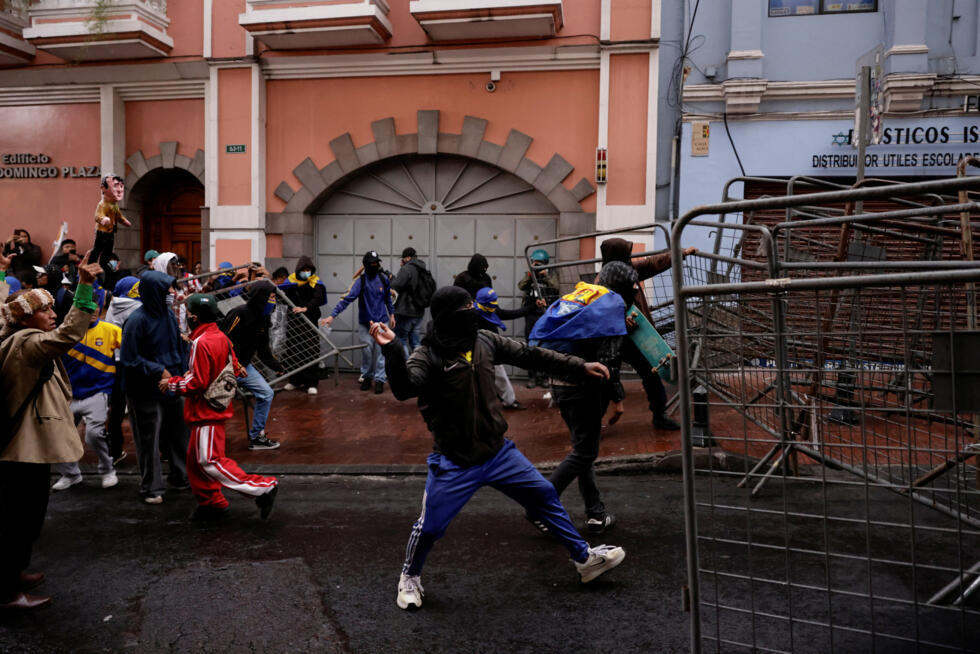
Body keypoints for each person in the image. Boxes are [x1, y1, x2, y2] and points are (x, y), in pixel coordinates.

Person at [369, 286, 626, 610]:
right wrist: (393, 349)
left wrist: (578, 365)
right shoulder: (428, 354)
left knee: (545, 495)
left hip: (498, 452)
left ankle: (584, 559)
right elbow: (405, 388)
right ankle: (409, 577)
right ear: (449, 316)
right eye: (465, 309)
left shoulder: (484, 341)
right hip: (455, 460)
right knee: (430, 527)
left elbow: (530, 355)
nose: (472, 313)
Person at [0, 251, 101, 611]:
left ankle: (15, 573)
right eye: (44, 309)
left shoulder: (17, 335)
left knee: (26, 517)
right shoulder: (27, 343)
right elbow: (68, 334)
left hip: (28, 447)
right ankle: (7, 592)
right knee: (18, 520)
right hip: (22, 450)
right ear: (26, 317)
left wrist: (2, 274)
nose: (52, 312)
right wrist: (84, 287)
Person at [531, 262, 636, 535]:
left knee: (583, 449)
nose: (636, 288)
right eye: (633, 284)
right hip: (584, 387)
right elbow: (609, 359)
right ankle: (539, 507)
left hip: (560, 383)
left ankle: (596, 514)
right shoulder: (612, 304)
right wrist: (618, 400)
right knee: (585, 452)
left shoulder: (585, 295)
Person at [164, 294, 279, 523]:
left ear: (193, 317)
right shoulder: (219, 337)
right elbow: (231, 363)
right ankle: (211, 504)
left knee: (209, 461)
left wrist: (172, 383)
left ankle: (263, 487)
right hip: (212, 408)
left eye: (189, 313)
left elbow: (197, 382)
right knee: (196, 462)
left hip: (205, 411)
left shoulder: (201, 342)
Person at [598, 238, 696, 430]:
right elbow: (599, 310)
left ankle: (660, 415)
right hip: (612, 338)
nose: (630, 256)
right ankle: (594, 423)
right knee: (606, 377)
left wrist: (681, 253)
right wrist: (620, 319)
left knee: (651, 373)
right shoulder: (601, 281)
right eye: (626, 252)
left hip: (636, 336)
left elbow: (653, 263)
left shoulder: (630, 269)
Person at [120, 270, 190, 504]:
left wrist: (182, 373)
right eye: (167, 289)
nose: (172, 293)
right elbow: (129, 358)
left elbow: (176, 347)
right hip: (144, 390)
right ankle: (151, 487)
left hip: (172, 385)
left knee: (179, 433)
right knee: (148, 439)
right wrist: (157, 370)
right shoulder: (136, 321)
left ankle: (181, 477)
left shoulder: (168, 315)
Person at [50, 286, 122, 492]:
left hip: (98, 391)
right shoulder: (64, 332)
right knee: (60, 435)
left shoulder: (112, 330)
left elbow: (127, 356)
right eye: (88, 307)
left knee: (94, 435)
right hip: (69, 394)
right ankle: (71, 474)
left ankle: (107, 470)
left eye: (96, 306)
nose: (93, 310)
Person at [221, 280, 284, 450]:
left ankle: (256, 436)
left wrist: (276, 366)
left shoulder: (264, 318)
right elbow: (222, 342)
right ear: (260, 296)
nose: (273, 301)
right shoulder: (239, 313)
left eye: (274, 297)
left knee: (266, 393)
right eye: (271, 297)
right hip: (224, 367)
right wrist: (234, 364)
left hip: (244, 367)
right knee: (217, 403)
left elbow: (263, 349)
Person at [320, 251, 394, 394]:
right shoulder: (361, 281)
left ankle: (379, 380)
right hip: (366, 324)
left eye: (376, 263)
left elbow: (388, 299)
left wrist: (392, 314)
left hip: (382, 323)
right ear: (366, 265)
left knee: (381, 353)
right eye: (372, 264)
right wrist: (332, 316)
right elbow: (347, 299)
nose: (375, 265)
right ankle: (367, 377)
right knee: (367, 352)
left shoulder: (383, 279)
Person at [473, 286, 543, 409]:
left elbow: (511, 314)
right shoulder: (472, 315)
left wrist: (533, 306)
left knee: (499, 375)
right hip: (477, 350)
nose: (495, 305)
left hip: (492, 349)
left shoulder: (492, 309)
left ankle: (508, 401)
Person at [104, 276, 141, 464]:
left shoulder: (112, 305)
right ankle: (159, 450)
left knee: (116, 409)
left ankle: (115, 450)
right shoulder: (138, 307)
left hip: (115, 360)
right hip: (134, 361)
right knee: (143, 406)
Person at [280, 256, 327, 395]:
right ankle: (294, 380)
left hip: (309, 322)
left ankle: (311, 383)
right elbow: (283, 297)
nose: (306, 272)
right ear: (298, 270)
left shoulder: (315, 282)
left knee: (311, 352)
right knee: (293, 351)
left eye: (309, 270)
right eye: (304, 270)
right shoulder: (290, 281)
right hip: (294, 323)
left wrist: (306, 308)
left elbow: (318, 298)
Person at [518, 249, 561, 388]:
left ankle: (544, 377)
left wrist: (545, 275)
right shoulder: (530, 274)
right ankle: (532, 377)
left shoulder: (552, 274)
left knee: (545, 345)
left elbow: (556, 288)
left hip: (545, 313)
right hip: (531, 313)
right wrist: (531, 275)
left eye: (539, 263)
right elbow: (521, 286)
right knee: (530, 344)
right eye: (534, 263)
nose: (536, 265)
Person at [390, 247, 428, 357]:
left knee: (401, 340)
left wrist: (392, 278)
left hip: (405, 312)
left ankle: (405, 367)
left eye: (403, 258)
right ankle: (419, 364)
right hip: (418, 312)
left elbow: (395, 286)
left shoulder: (406, 269)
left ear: (407, 258)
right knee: (415, 342)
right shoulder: (422, 269)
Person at [91, 173, 132, 269]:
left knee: (108, 251)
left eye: (121, 186)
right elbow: (97, 216)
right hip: (102, 232)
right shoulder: (102, 204)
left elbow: (119, 216)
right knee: (97, 249)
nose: (119, 190)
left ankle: (104, 267)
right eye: (115, 186)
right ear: (103, 188)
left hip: (111, 231)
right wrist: (103, 219)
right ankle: (91, 264)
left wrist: (124, 221)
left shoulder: (115, 205)